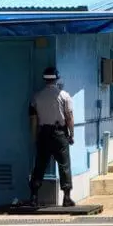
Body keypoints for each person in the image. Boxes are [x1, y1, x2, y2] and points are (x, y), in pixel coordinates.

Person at [28, 67, 75, 207]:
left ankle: (34, 197)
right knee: (64, 164)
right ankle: (66, 197)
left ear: (44, 79)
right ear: (57, 78)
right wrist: (71, 134)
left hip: (43, 133)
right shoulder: (64, 96)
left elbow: (33, 119)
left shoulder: (36, 97)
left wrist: (35, 136)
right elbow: (69, 117)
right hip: (59, 133)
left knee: (40, 165)